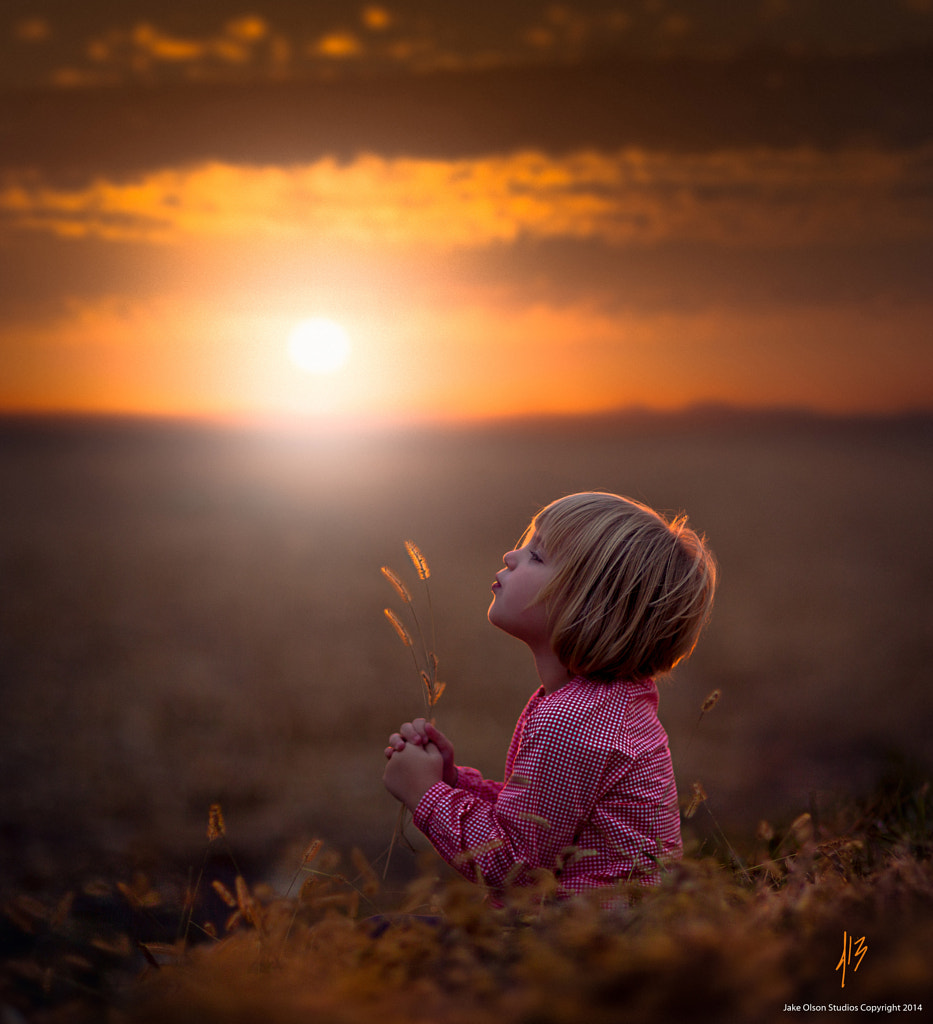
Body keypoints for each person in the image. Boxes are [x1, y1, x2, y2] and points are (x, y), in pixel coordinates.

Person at [382, 491, 717, 899]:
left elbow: (512, 866)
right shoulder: (607, 704)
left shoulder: (572, 719)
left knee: (380, 932)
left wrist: (426, 794)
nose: (510, 555)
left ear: (590, 606)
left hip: (581, 944)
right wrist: (453, 782)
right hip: (621, 933)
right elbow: (541, 820)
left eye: (537, 557)